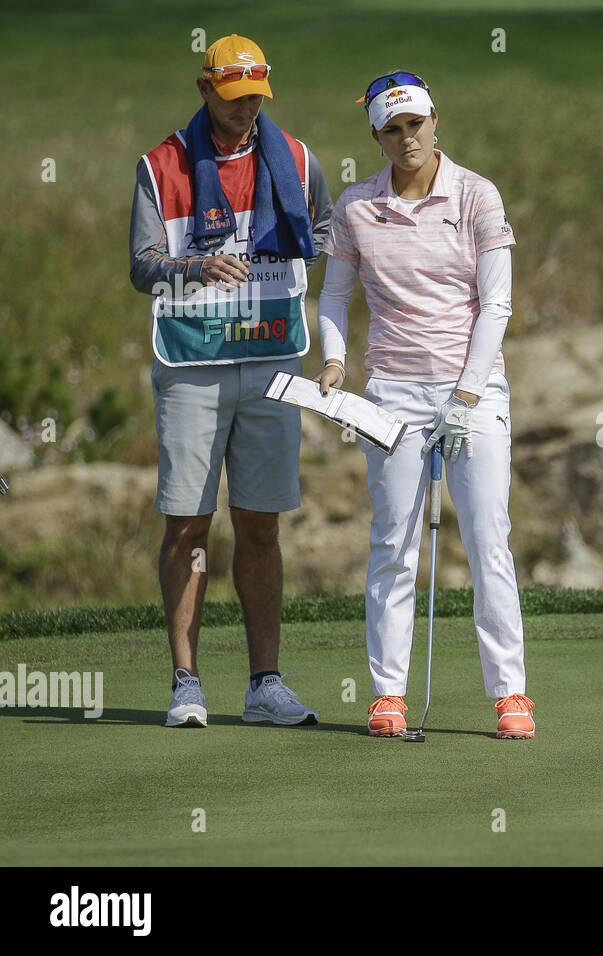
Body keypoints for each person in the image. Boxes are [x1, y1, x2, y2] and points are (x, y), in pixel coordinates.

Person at [315, 71, 534, 739]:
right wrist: (332, 361)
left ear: (435, 120)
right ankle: (387, 696)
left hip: (472, 392)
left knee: (487, 539)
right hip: (392, 395)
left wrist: (467, 394)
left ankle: (511, 695)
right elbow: (332, 299)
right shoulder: (357, 207)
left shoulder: (476, 196)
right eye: (392, 128)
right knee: (392, 544)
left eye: (416, 124)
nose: (407, 138)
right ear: (376, 135)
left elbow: (495, 303)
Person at [128, 34, 332, 728]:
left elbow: (330, 234)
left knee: (260, 525)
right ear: (204, 88)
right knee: (188, 524)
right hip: (191, 365)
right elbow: (142, 264)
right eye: (233, 96)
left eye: (255, 99)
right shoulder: (161, 165)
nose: (245, 110)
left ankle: (264, 685)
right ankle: (187, 683)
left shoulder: (298, 159)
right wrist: (193, 269)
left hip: (272, 360)